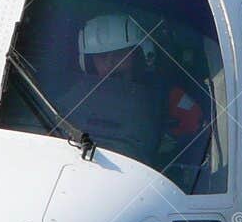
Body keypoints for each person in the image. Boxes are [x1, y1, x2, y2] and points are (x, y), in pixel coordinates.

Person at [69, 14, 208, 173]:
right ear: (88, 62)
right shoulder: (76, 98)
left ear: (140, 55)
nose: (111, 63)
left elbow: (196, 127)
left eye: (120, 54)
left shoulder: (167, 96)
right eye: (102, 57)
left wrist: (168, 144)